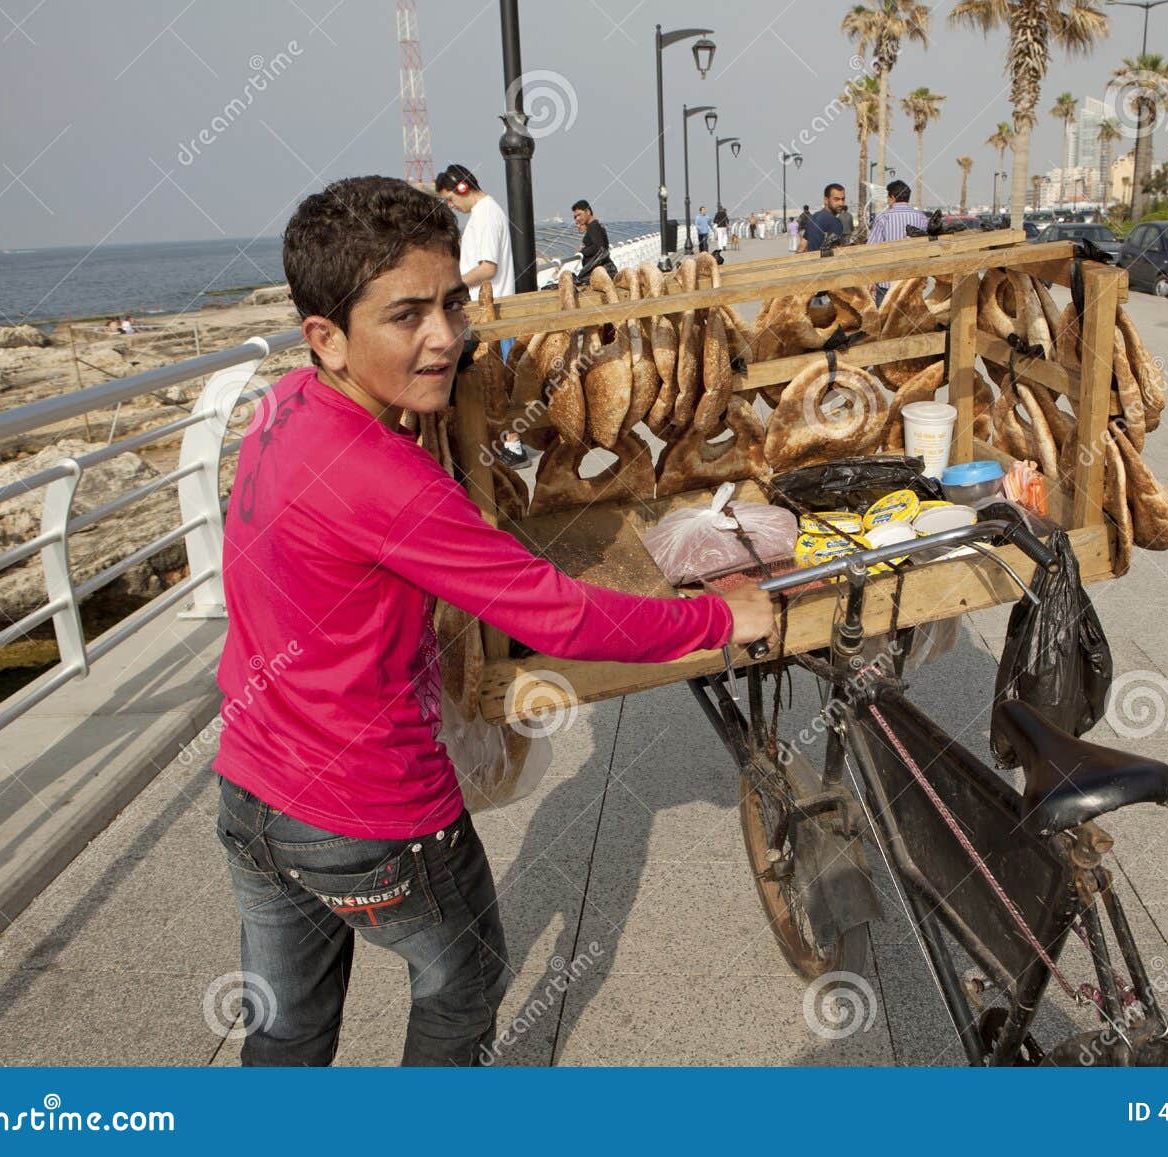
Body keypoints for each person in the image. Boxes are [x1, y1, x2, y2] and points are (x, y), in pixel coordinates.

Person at [214, 175, 778, 1068]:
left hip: (250, 790)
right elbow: (556, 614)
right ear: (325, 337)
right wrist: (714, 617)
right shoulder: (391, 482)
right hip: (372, 812)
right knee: (465, 984)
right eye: (406, 317)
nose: (446, 338)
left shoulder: (283, 408)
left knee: (286, 1028)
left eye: (450, 303)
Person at [433, 164, 515, 301]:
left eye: (450, 199)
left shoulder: (486, 214)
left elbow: (488, 268)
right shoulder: (482, 212)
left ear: (463, 188)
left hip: (490, 307)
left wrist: (451, 286)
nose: (450, 205)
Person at [867, 179, 925, 304]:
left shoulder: (883, 218)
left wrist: (871, 279)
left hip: (886, 281)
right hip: (912, 281)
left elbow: (872, 250)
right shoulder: (921, 217)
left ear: (892, 197)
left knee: (884, 320)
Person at [571, 199, 616, 281]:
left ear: (588, 212)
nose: (577, 219)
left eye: (579, 215)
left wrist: (582, 251)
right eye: (575, 217)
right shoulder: (595, 225)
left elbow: (598, 247)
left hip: (600, 271)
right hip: (602, 270)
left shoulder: (593, 226)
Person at [800, 184, 848, 252]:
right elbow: (839, 252)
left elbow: (801, 247)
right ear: (826, 200)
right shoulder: (833, 221)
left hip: (812, 261)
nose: (841, 203)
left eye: (843, 199)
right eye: (836, 199)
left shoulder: (814, 216)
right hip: (824, 262)